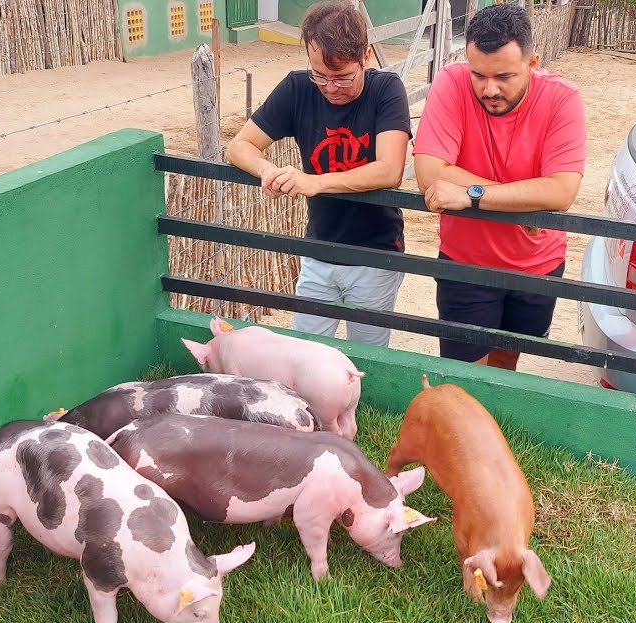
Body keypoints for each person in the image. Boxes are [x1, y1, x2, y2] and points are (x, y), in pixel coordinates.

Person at [224, 0, 411, 348]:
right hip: (317, 249)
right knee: (305, 351)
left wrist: (315, 181)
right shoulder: (297, 88)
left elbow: (390, 170)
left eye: (342, 77)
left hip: (375, 253)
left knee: (367, 356)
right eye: (320, 75)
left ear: (365, 57)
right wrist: (268, 170)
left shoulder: (386, 89)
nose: (330, 87)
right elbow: (239, 146)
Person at [412, 2, 586, 370]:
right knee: (465, 371)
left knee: (508, 361)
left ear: (532, 63)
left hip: (538, 263)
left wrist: (471, 194)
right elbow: (429, 172)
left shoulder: (563, 98)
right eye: (479, 74)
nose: (489, 89)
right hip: (466, 260)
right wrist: (520, 201)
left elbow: (562, 191)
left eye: (504, 76)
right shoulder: (451, 80)